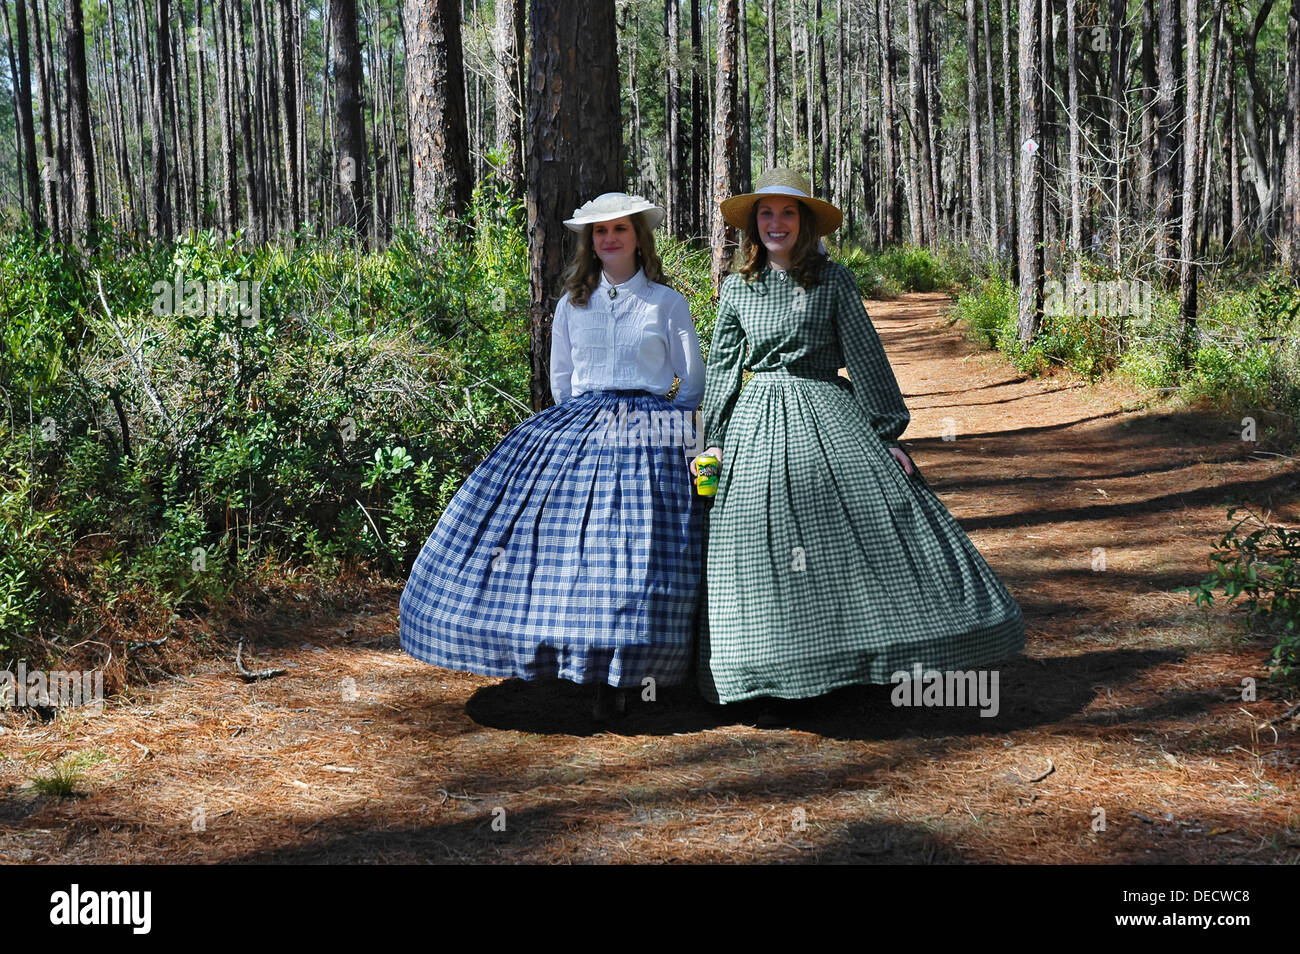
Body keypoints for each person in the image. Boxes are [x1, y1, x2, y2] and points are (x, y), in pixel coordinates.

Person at [692, 167, 1024, 711]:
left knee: (852, 536)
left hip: (827, 410)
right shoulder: (737, 287)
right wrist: (714, 440)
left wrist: (886, 431)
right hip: (756, 425)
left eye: (789, 212)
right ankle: (771, 669)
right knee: (760, 545)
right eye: (767, 213)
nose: (777, 223)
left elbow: (865, 355)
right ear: (754, 225)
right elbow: (725, 369)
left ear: (805, 223)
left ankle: (857, 663)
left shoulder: (834, 280)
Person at [400, 192, 707, 721]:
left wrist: (672, 424)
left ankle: (628, 677)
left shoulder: (665, 303)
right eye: (600, 232)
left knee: (633, 557)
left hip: (648, 431)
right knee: (574, 557)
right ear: (591, 243)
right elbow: (561, 378)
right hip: (580, 427)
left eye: (620, 230)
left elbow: (693, 376)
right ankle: (575, 668)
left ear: (639, 238)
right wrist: (577, 433)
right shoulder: (572, 303)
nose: (610, 239)